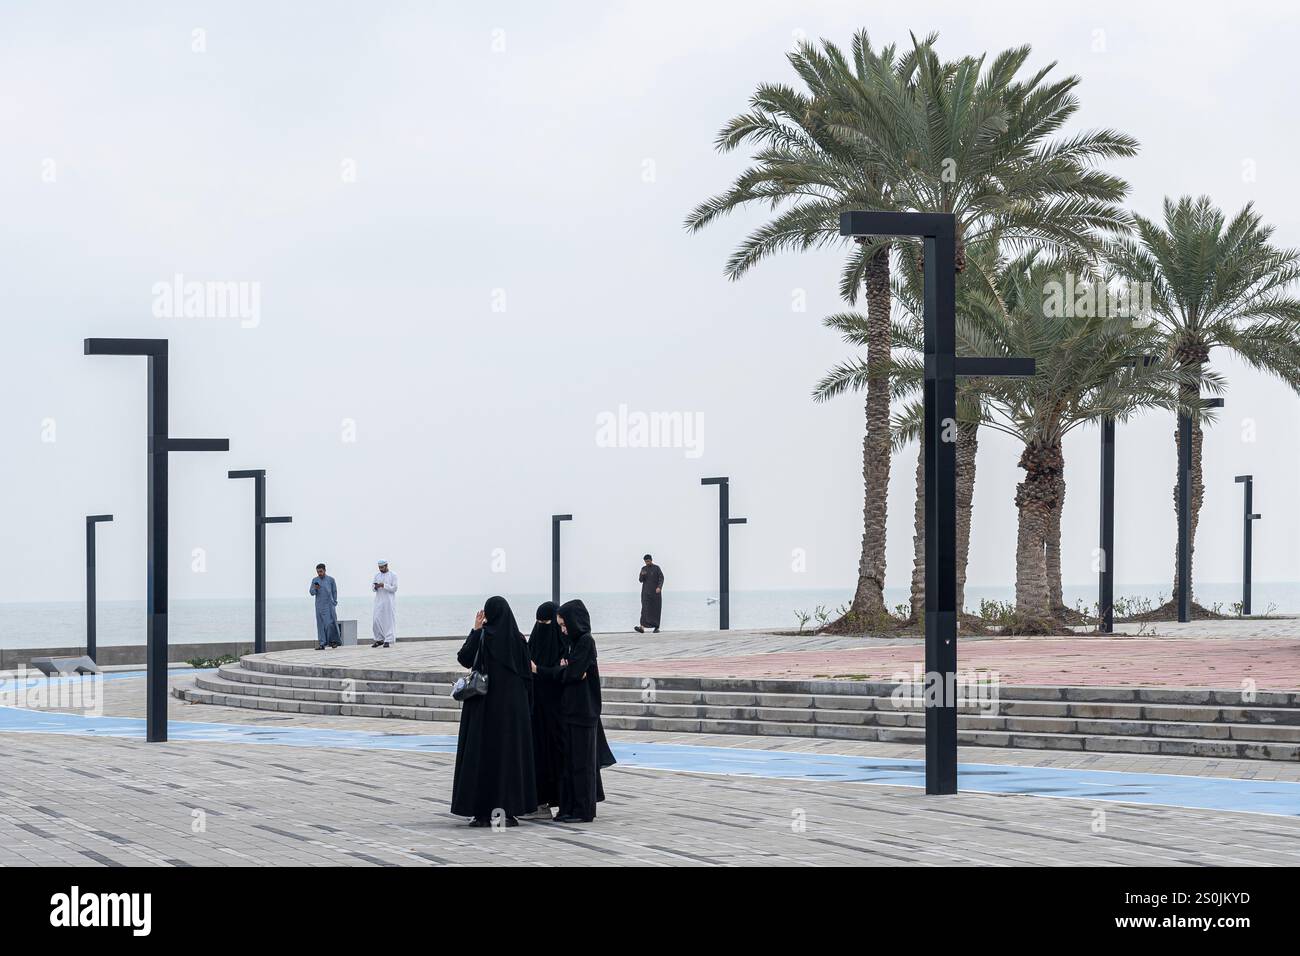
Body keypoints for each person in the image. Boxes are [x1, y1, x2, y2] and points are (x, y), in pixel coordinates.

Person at [450, 596, 538, 827]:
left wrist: (475, 630)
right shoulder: (518, 639)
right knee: (509, 759)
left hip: (483, 710)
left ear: (487, 614)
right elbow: (527, 676)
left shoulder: (484, 637)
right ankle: (507, 813)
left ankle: (480, 813)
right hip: (511, 711)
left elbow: (464, 659)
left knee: (482, 758)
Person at [533, 599, 612, 823]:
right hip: (570, 711)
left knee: (583, 764)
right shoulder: (572, 643)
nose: (563, 629)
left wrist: (558, 671)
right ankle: (568, 808)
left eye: (564, 625)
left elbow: (573, 674)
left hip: (584, 712)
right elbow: (569, 672)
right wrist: (565, 670)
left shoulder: (586, 642)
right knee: (569, 764)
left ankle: (583, 810)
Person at [518, 601, 565, 821]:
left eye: (545, 622)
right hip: (536, 712)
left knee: (554, 757)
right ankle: (538, 802)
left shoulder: (564, 643)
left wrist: (540, 670)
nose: (541, 626)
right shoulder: (537, 638)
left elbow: (565, 674)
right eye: (538, 622)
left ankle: (557, 802)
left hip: (556, 713)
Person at [309, 563, 340, 650]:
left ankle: (333, 641)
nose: (319, 573)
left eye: (321, 571)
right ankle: (322, 643)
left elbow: (334, 591)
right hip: (319, 606)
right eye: (318, 572)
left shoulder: (331, 580)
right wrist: (315, 588)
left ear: (325, 570)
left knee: (330, 623)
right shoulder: (315, 580)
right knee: (320, 625)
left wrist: (334, 601)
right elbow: (311, 592)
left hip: (329, 605)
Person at [371, 560, 397, 648]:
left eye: (382, 567)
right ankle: (379, 639)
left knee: (388, 621)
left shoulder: (393, 575)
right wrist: (376, 586)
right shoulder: (377, 575)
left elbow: (394, 588)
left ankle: (388, 640)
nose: (380, 569)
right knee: (376, 620)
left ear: (386, 566)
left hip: (388, 602)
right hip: (378, 601)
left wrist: (384, 585)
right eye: (379, 567)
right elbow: (373, 588)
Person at [635, 554, 664, 633]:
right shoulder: (643, 569)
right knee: (644, 609)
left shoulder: (657, 568)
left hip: (656, 593)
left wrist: (659, 587)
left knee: (656, 610)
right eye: (646, 561)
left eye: (648, 561)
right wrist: (642, 575)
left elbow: (661, 578)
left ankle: (656, 627)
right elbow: (640, 580)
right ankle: (642, 627)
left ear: (651, 560)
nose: (647, 563)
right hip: (645, 593)